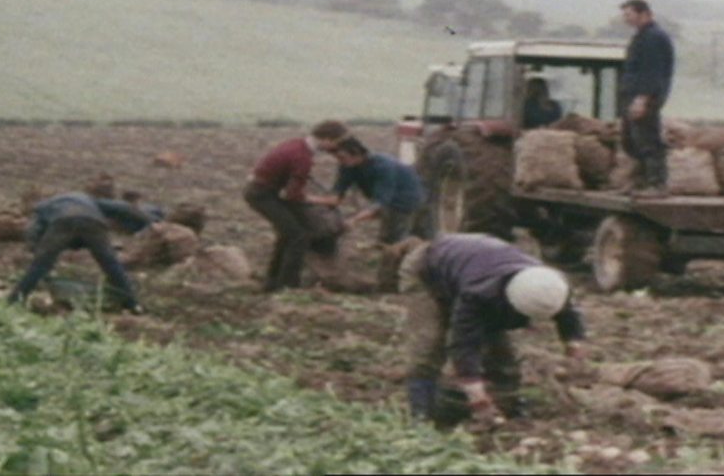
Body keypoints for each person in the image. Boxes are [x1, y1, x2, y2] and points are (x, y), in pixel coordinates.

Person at [395, 233, 588, 426]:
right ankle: (422, 414)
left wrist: (574, 346)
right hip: (426, 269)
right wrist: (476, 395)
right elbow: (464, 344)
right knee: (430, 343)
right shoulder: (478, 296)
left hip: (473, 265)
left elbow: (569, 314)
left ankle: (506, 404)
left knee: (501, 354)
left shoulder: (552, 284)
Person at [6, 191, 163, 313]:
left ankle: (15, 299)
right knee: (111, 264)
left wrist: (35, 249)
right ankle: (133, 303)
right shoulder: (89, 199)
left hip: (63, 222)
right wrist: (150, 221)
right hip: (93, 224)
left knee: (40, 265)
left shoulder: (44, 206)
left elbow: (34, 231)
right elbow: (124, 208)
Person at [243, 120, 349, 292]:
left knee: (287, 235)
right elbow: (293, 195)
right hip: (262, 195)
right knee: (298, 237)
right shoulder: (303, 157)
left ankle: (272, 282)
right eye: (337, 142)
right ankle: (288, 286)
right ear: (327, 139)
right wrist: (325, 202)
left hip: (261, 190)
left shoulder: (296, 144)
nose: (337, 147)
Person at [313, 136, 426, 245]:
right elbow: (336, 195)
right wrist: (308, 198)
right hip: (384, 198)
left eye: (342, 158)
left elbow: (380, 203)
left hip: (404, 200)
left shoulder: (382, 166)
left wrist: (355, 219)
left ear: (356, 153)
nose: (340, 161)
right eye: (337, 158)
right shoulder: (347, 166)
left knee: (393, 241)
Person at [617, 0, 676, 198]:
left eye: (628, 14)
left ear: (643, 13)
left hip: (644, 96)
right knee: (631, 141)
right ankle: (641, 182)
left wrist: (642, 98)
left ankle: (657, 184)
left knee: (648, 140)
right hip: (633, 95)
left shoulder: (653, 38)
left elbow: (652, 71)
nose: (625, 19)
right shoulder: (642, 36)